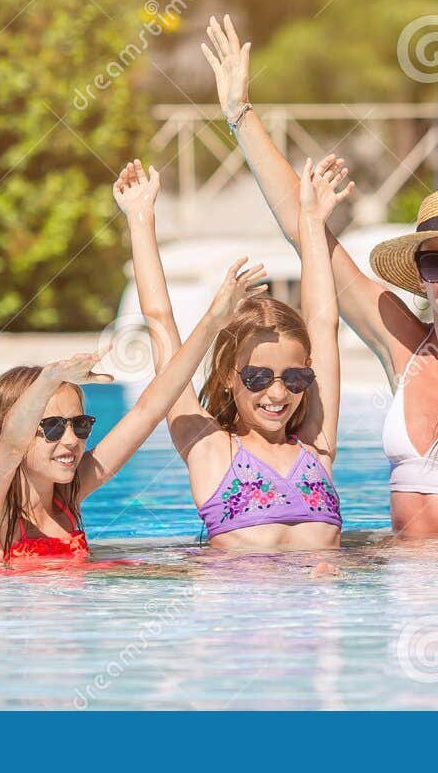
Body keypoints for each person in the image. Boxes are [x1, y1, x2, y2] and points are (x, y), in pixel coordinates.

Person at [203, 8, 438, 537]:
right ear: (421, 275)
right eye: (437, 263)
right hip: (403, 575)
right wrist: (240, 115)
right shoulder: (404, 348)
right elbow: (308, 235)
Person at [112, 154, 349, 551]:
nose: (278, 394)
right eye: (257, 378)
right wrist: (140, 219)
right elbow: (160, 321)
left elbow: (324, 323)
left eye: (294, 378)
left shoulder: (316, 445)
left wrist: (312, 220)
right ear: (227, 376)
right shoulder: (209, 448)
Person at [0, 260, 267, 563]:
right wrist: (49, 379)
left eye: (80, 425)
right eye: (53, 427)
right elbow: (12, 443)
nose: (71, 440)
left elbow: (148, 410)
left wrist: (212, 322)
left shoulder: (67, 497)